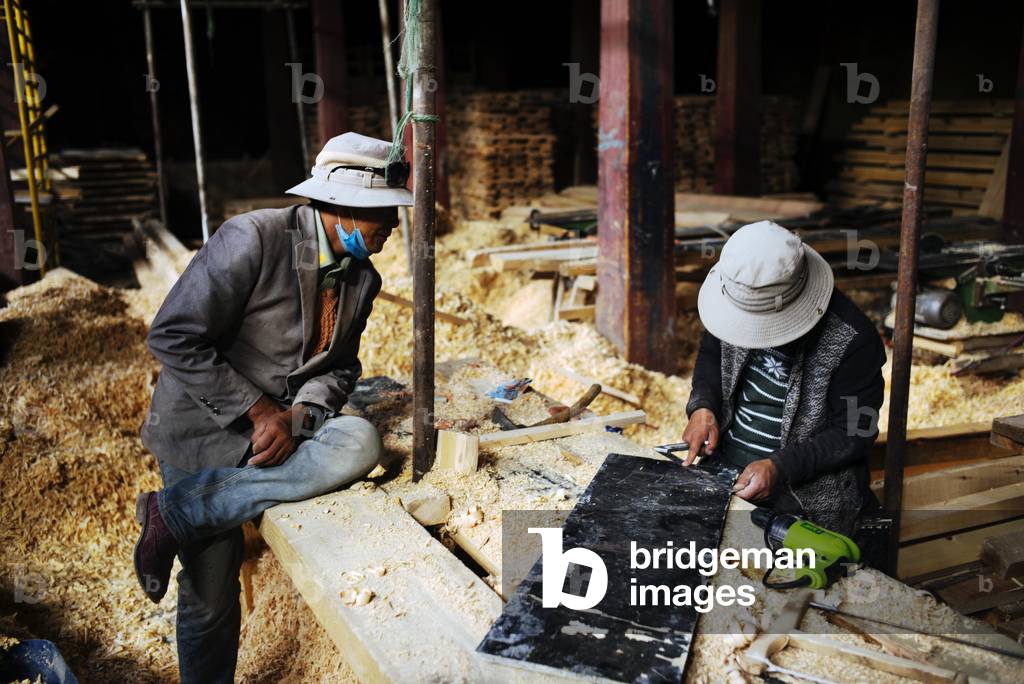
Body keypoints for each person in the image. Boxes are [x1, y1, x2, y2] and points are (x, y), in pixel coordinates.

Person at [132, 132, 411, 682]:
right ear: (342, 206)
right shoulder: (253, 238)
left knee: (361, 442)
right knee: (212, 594)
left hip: (288, 427)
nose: (394, 229)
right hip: (206, 430)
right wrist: (259, 411)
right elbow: (173, 336)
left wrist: (296, 416)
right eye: (385, 214)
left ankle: (179, 511)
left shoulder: (363, 277)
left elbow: (342, 367)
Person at [682, 220, 886, 535]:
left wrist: (780, 467)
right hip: (723, 471)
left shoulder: (854, 339)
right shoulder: (734, 293)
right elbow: (712, 354)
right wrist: (703, 406)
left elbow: (855, 433)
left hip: (806, 498)